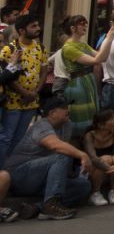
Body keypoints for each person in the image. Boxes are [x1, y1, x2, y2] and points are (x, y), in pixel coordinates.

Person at [4, 95, 91, 220]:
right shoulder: (41, 125)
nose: (68, 110)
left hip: (41, 178)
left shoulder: (66, 125)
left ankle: (37, 207)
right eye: (64, 108)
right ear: (52, 113)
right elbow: (55, 146)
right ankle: (51, 205)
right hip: (20, 175)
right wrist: (82, 154)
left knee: (83, 185)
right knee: (60, 156)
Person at [0, 14, 48, 168]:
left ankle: (10, 168)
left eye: (37, 25)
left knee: (20, 138)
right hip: (13, 101)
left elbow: (44, 71)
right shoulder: (10, 49)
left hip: (31, 101)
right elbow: (6, 76)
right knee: (6, 137)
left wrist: (35, 92)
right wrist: (24, 93)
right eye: (33, 26)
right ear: (21, 30)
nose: (38, 29)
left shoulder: (41, 48)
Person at [60, 15, 114, 139]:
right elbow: (97, 59)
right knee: (81, 118)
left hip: (87, 82)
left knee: (91, 115)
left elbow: (102, 57)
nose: (85, 26)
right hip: (78, 84)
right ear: (72, 28)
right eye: (81, 23)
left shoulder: (82, 44)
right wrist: (108, 39)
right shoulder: (68, 48)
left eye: (85, 23)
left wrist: (109, 40)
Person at [82, 108, 114, 206]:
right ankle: (95, 192)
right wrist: (111, 169)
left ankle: (113, 190)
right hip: (92, 167)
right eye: (111, 119)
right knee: (106, 158)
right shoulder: (90, 136)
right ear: (101, 125)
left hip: (108, 166)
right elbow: (93, 158)